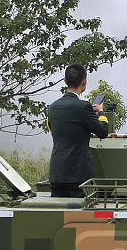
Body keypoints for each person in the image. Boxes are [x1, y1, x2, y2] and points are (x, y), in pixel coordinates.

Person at [47, 64, 109, 198]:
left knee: (58, 215)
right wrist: (101, 112)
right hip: (77, 174)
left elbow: (53, 130)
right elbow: (103, 131)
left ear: (65, 81)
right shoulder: (83, 107)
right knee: (78, 217)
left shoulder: (52, 108)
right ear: (84, 81)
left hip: (57, 173)